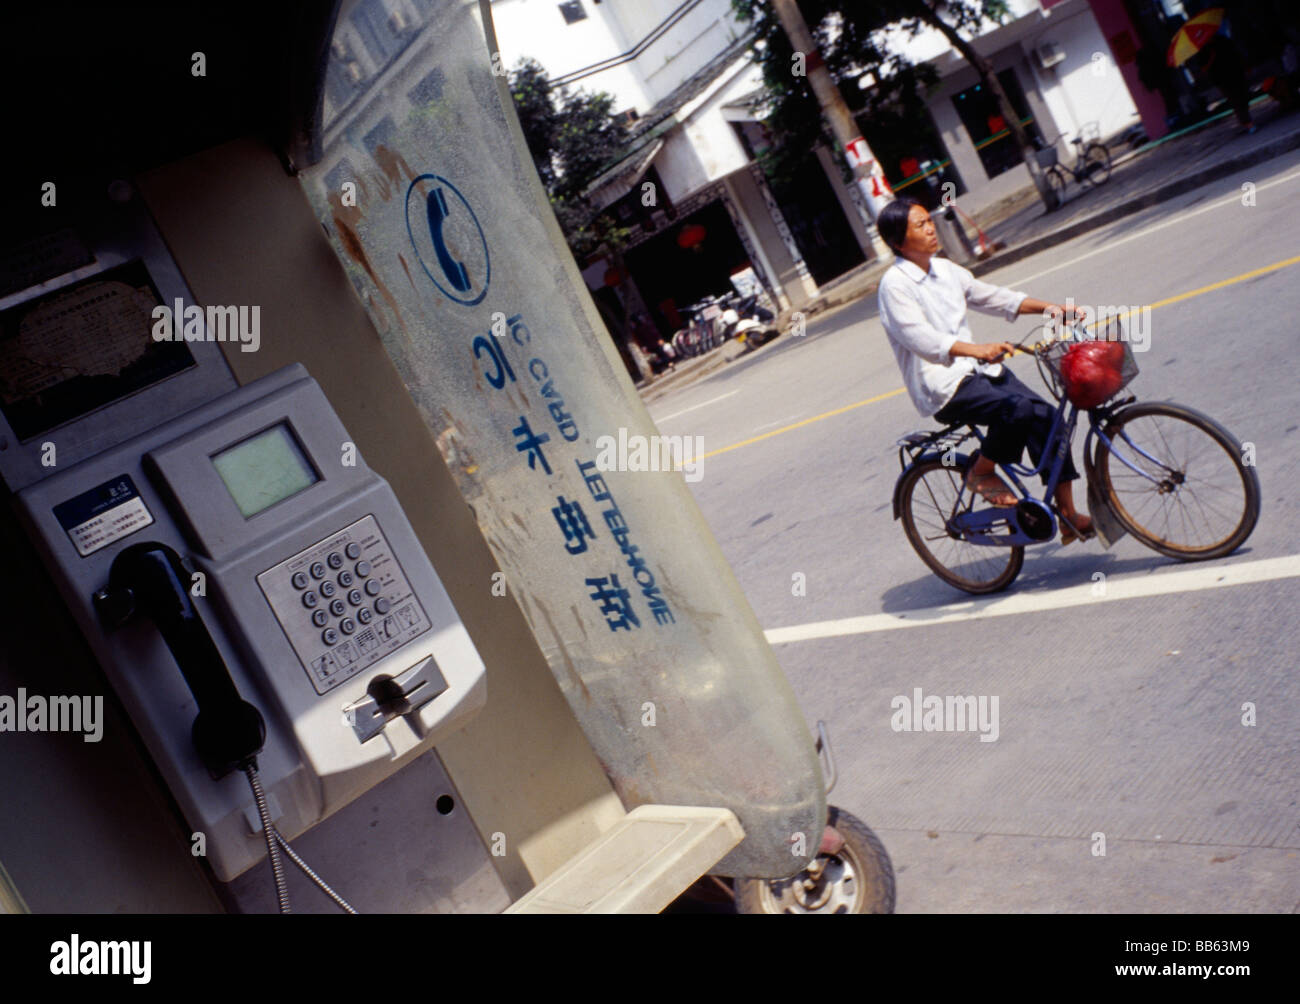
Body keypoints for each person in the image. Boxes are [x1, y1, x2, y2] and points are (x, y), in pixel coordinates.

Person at [876, 197, 1093, 544]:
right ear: (898, 242)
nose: (931, 228)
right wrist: (977, 349)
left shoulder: (945, 270)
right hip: (941, 384)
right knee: (1016, 410)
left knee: (1048, 417)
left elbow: (995, 298)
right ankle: (981, 472)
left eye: (929, 220)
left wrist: (1051, 309)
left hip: (977, 371)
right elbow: (920, 338)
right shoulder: (894, 285)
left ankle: (1067, 514)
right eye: (920, 225)